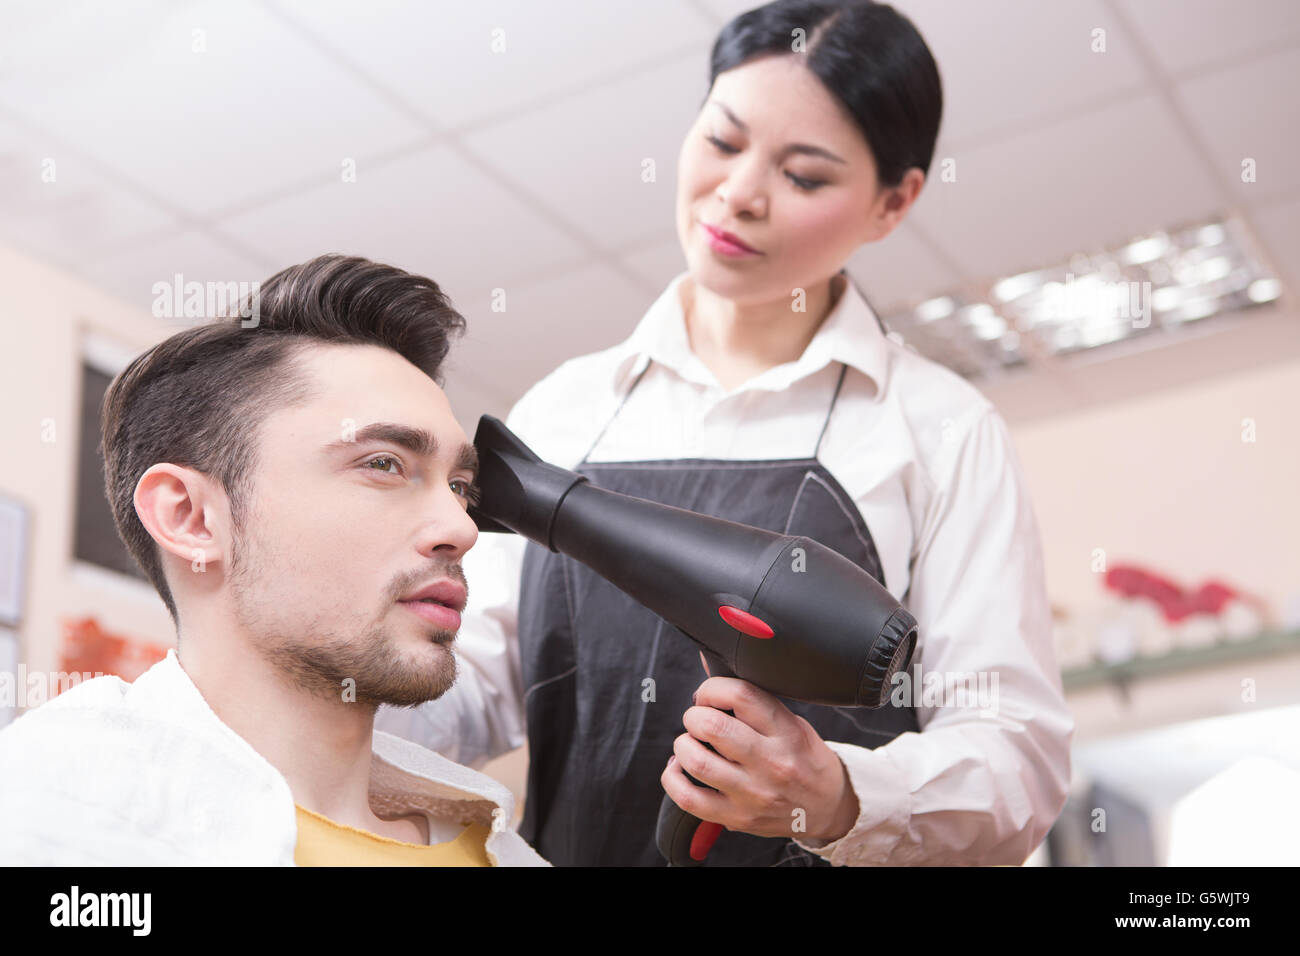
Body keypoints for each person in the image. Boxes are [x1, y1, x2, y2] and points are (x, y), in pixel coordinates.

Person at [375, 0, 1073, 866]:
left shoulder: (940, 432)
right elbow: (473, 682)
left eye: (804, 176)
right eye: (723, 141)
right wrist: (318, 686)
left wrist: (833, 796)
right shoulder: (566, 409)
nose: (740, 194)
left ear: (894, 202)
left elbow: (1018, 760)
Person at [0, 255, 548, 866]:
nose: (461, 528)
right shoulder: (48, 821)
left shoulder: (501, 853)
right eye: (384, 464)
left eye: (459, 487)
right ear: (191, 517)